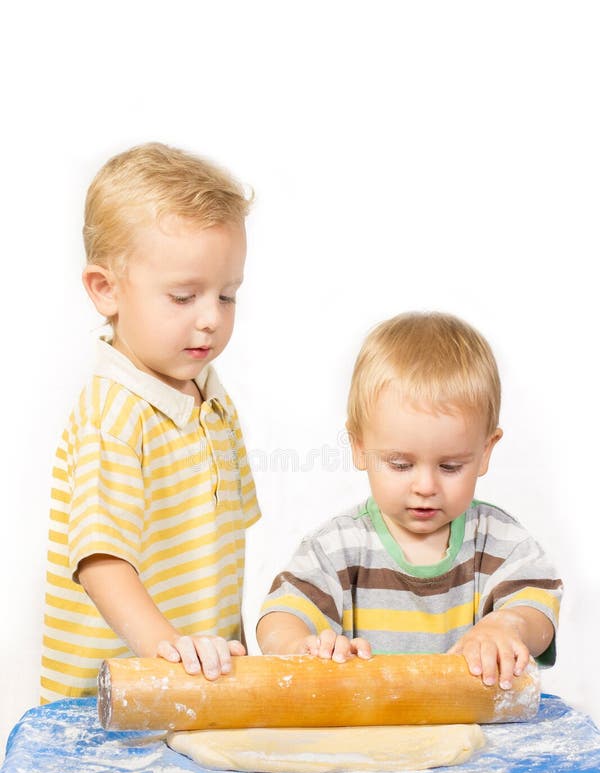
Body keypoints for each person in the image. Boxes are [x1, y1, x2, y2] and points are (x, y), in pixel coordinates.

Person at [41, 142, 260, 703]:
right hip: (111, 704)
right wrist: (170, 651)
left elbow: (221, 550)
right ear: (106, 289)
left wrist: (220, 652)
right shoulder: (112, 417)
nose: (211, 318)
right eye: (184, 296)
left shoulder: (212, 398)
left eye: (228, 295)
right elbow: (101, 562)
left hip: (194, 686)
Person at [257, 311, 561, 689]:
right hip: (365, 734)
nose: (425, 485)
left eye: (450, 466)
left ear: (485, 452)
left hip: (476, 733)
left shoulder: (499, 542)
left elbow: (539, 614)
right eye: (400, 465)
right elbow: (279, 617)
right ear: (360, 448)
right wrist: (301, 646)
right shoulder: (337, 548)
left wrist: (506, 625)